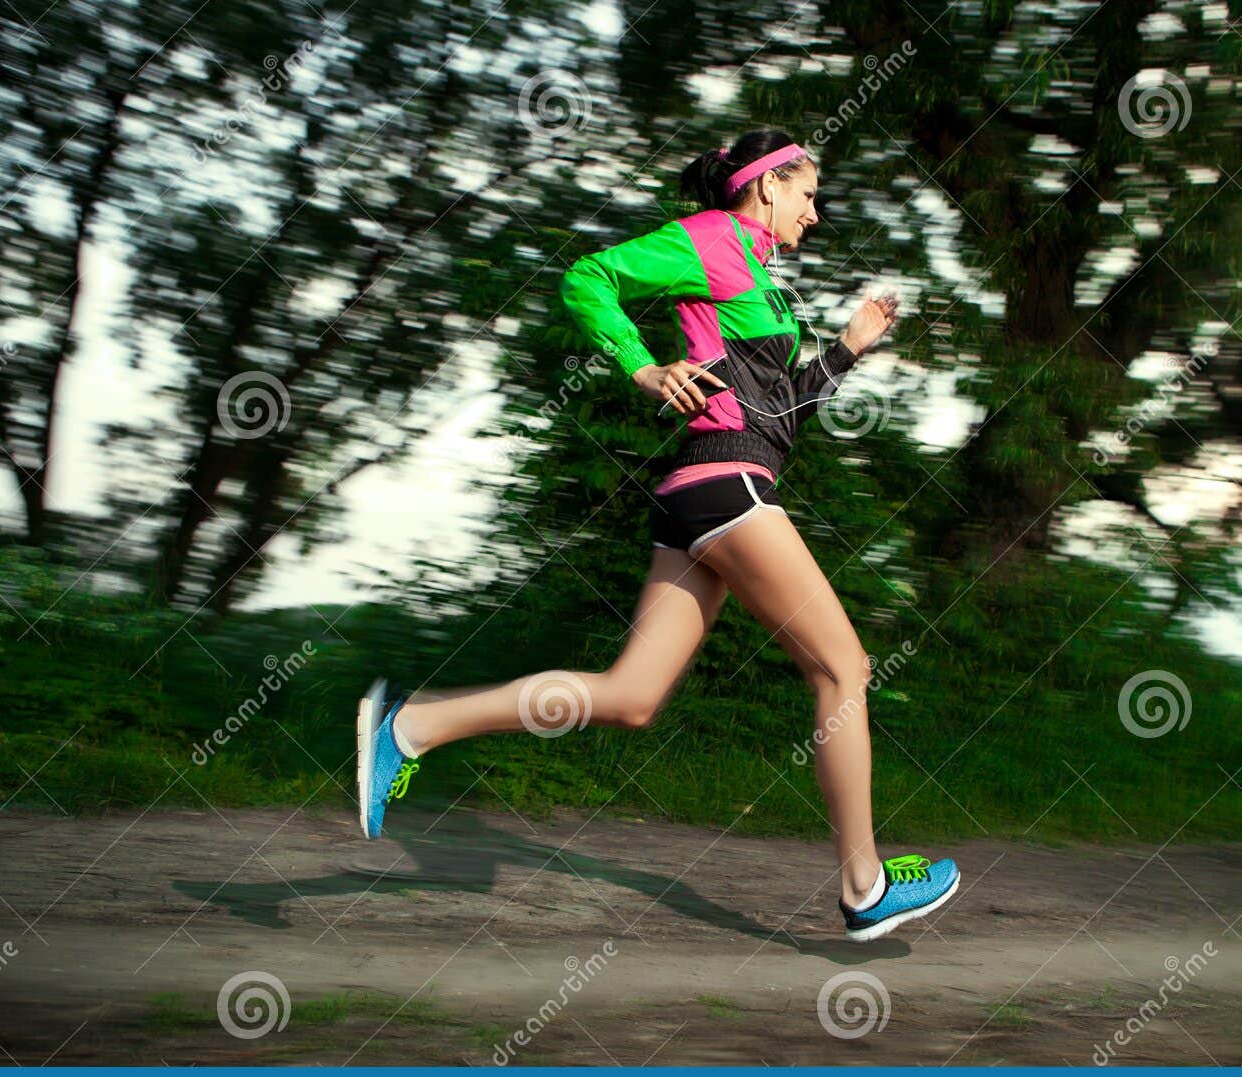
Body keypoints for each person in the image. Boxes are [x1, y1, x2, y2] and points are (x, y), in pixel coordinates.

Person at [356, 129, 958, 942]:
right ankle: (864, 884)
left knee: (633, 697)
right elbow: (588, 277)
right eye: (809, 194)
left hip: (704, 492)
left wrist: (847, 350)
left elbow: (779, 417)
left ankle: (411, 727)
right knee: (844, 666)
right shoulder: (712, 240)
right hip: (727, 489)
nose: (815, 214)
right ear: (768, 188)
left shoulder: (764, 286)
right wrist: (641, 365)